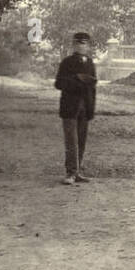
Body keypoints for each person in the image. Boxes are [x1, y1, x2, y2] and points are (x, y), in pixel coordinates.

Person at [54, 32, 97, 185]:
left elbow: (93, 88)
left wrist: (91, 108)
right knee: (71, 142)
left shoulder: (90, 63)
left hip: (85, 107)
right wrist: (77, 80)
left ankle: (77, 172)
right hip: (69, 107)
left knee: (81, 141)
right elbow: (58, 83)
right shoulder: (66, 62)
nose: (81, 46)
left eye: (84, 44)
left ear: (88, 46)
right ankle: (70, 173)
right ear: (73, 45)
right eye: (78, 43)